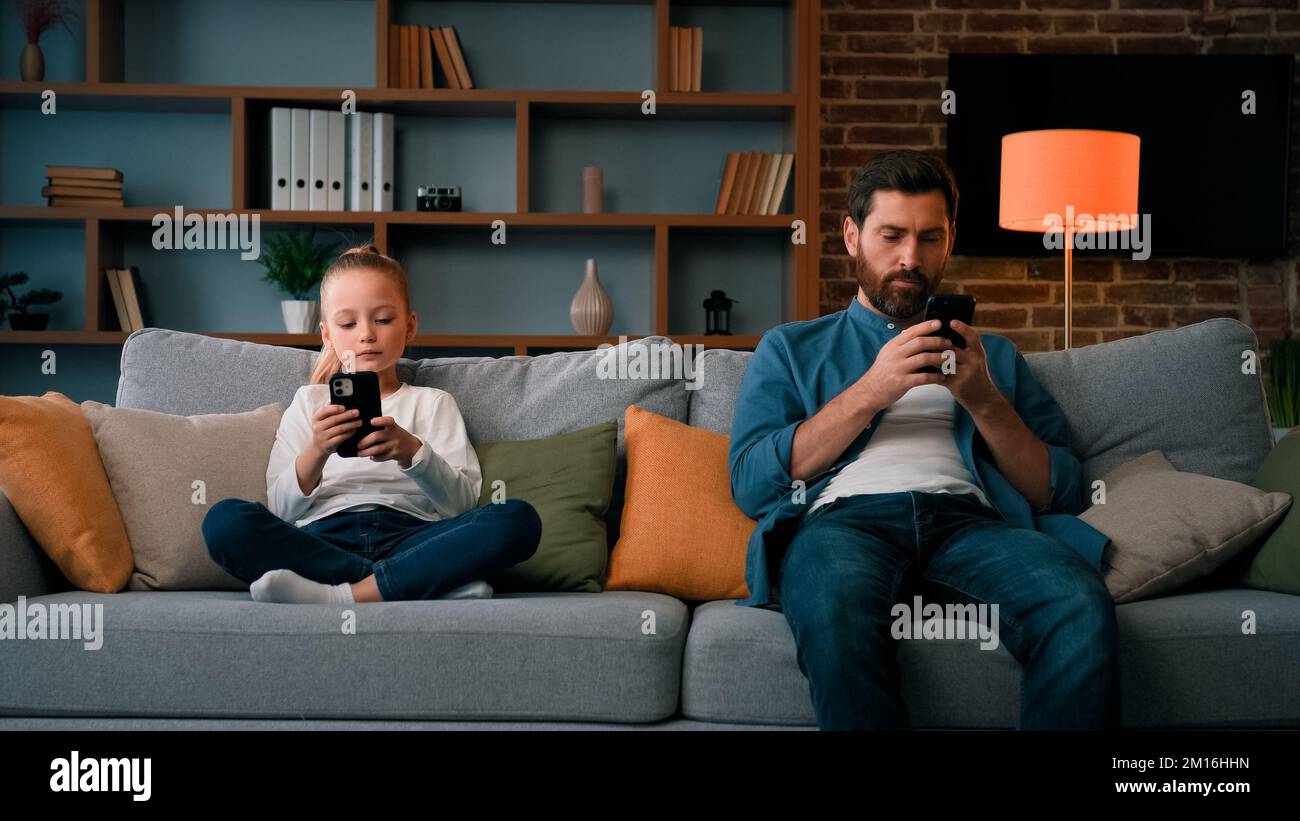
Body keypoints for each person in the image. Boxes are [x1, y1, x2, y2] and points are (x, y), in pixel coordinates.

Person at [728, 150, 1120, 730]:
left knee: (1078, 603)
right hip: (844, 525)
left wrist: (983, 399)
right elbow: (752, 481)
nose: (910, 258)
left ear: (949, 239)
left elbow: (1056, 491)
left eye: (929, 238)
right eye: (891, 236)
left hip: (971, 525)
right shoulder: (791, 347)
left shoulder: (996, 359)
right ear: (852, 237)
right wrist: (871, 391)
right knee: (835, 613)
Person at [202, 244, 541, 604]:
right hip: (323, 537)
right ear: (327, 335)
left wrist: (413, 453)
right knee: (225, 522)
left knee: (517, 520)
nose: (366, 334)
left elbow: (460, 506)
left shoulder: (433, 403)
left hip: (413, 536)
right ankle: (418, 582)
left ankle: (344, 594)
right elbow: (282, 510)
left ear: (410, 326)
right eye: (348, 324)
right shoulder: (309, 402)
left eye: (382, 319)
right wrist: (317, 450)